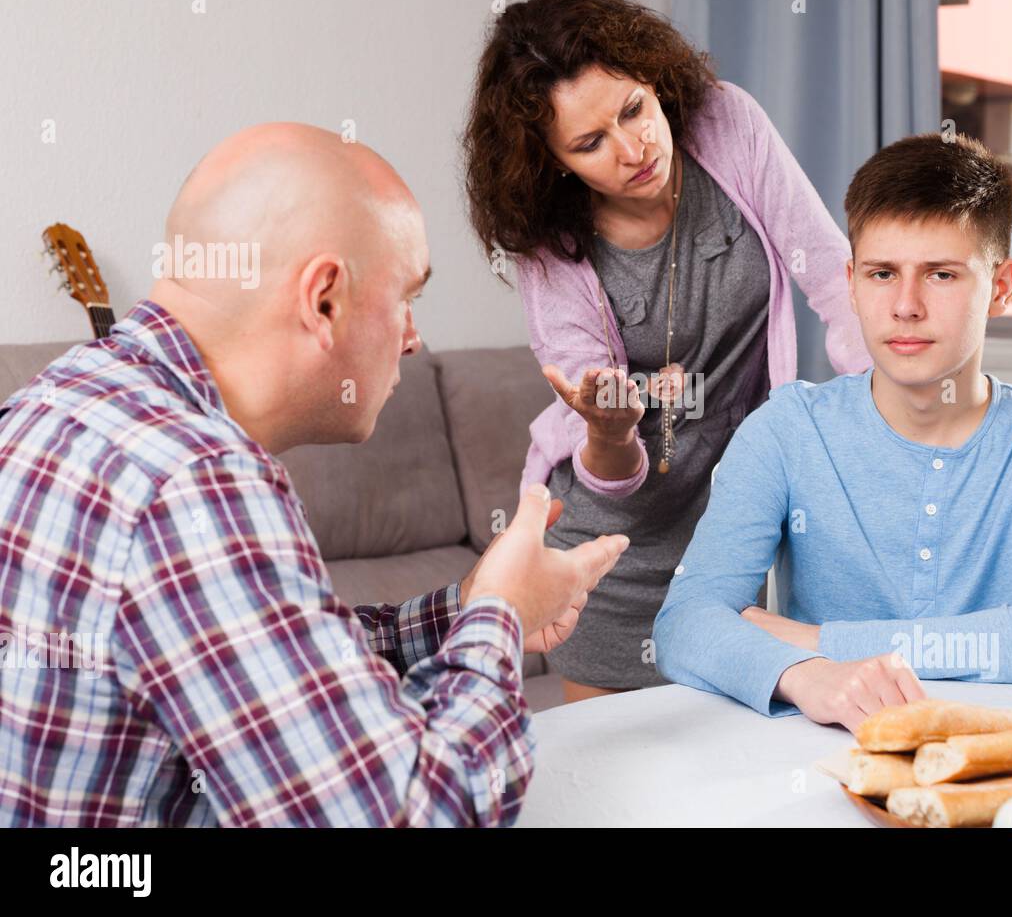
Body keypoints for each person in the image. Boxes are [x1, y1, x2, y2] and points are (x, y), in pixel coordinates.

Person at [0, 123, 627, 826]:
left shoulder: (55, 398)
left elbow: (255, 659)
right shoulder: (195, 483)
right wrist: (501, 618)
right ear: (324, 299)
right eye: (406, 297)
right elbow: (412, 815)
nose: (414, 337)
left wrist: (470, 607)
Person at [461, 0, 871, 702]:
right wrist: (608, 430)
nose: (633, 149)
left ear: (654, 77)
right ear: (554, 160)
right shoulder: (550, 248)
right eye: (590, 143)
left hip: (727, 534)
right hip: (607, 552)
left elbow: (834, 281)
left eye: (634, 110)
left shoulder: (728, 124)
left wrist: (893, 409)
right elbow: (612, 472)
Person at [653, 133, 1012, 730]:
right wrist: (806, 675)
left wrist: (820, 639)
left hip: (994, 762)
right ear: (852, 282)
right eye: (883, 273)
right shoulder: (786, 429)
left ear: (1002, 286)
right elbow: (684, 625)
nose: (905, 305)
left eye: (940, 275)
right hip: (816, 761)